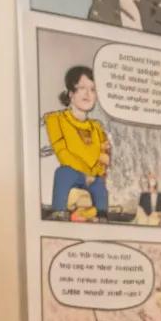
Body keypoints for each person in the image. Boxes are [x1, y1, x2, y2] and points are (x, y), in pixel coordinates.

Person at [44, 66, 110, 218]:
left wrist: (94, 173)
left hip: (94, 177)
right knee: (63, 173)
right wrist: (85, 171)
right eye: (82, 88)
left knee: (101, 187)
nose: (89, 94)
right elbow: (62, 153)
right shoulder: (55, 119)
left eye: (93, 89)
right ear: (71, 93)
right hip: (72, 172)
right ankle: (59, 213)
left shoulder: (97, 126)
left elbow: (105, 157)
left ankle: (101, 217)